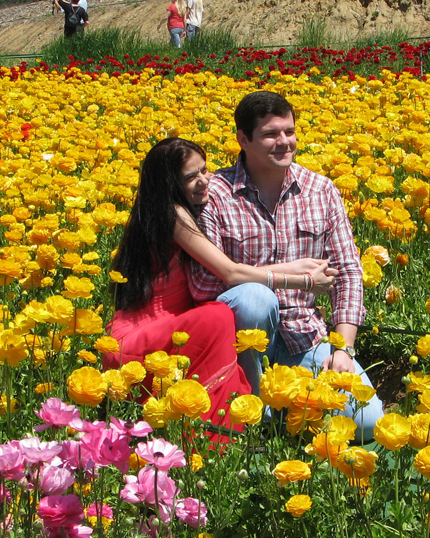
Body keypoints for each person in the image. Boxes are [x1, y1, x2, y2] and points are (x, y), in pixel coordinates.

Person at [105, 137, 335, 438]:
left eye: (205, 170)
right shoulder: (173, 215)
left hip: (165, 329)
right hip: (140, 342)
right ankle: (234, 424)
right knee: (218, 316)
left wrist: (292, 266)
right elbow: (229, 272)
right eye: (191, 177)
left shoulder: (161, 211)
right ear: (169, 183)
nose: (204, 181)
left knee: (216, 313)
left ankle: (231, 417)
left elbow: (227, 271)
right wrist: (302, 280)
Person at [188, 91, 386, 441]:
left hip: (304, 337)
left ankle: (280, 414)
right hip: (239, 341)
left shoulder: (320, 190)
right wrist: (285, 276)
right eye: (271, 134)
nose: (285, 142)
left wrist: (344, 349)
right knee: (255, 299)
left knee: (367, 422)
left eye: (290, 132)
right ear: (243, 139)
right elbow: (204, 283)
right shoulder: (215, 193)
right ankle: (254, 405)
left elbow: (349, 273)